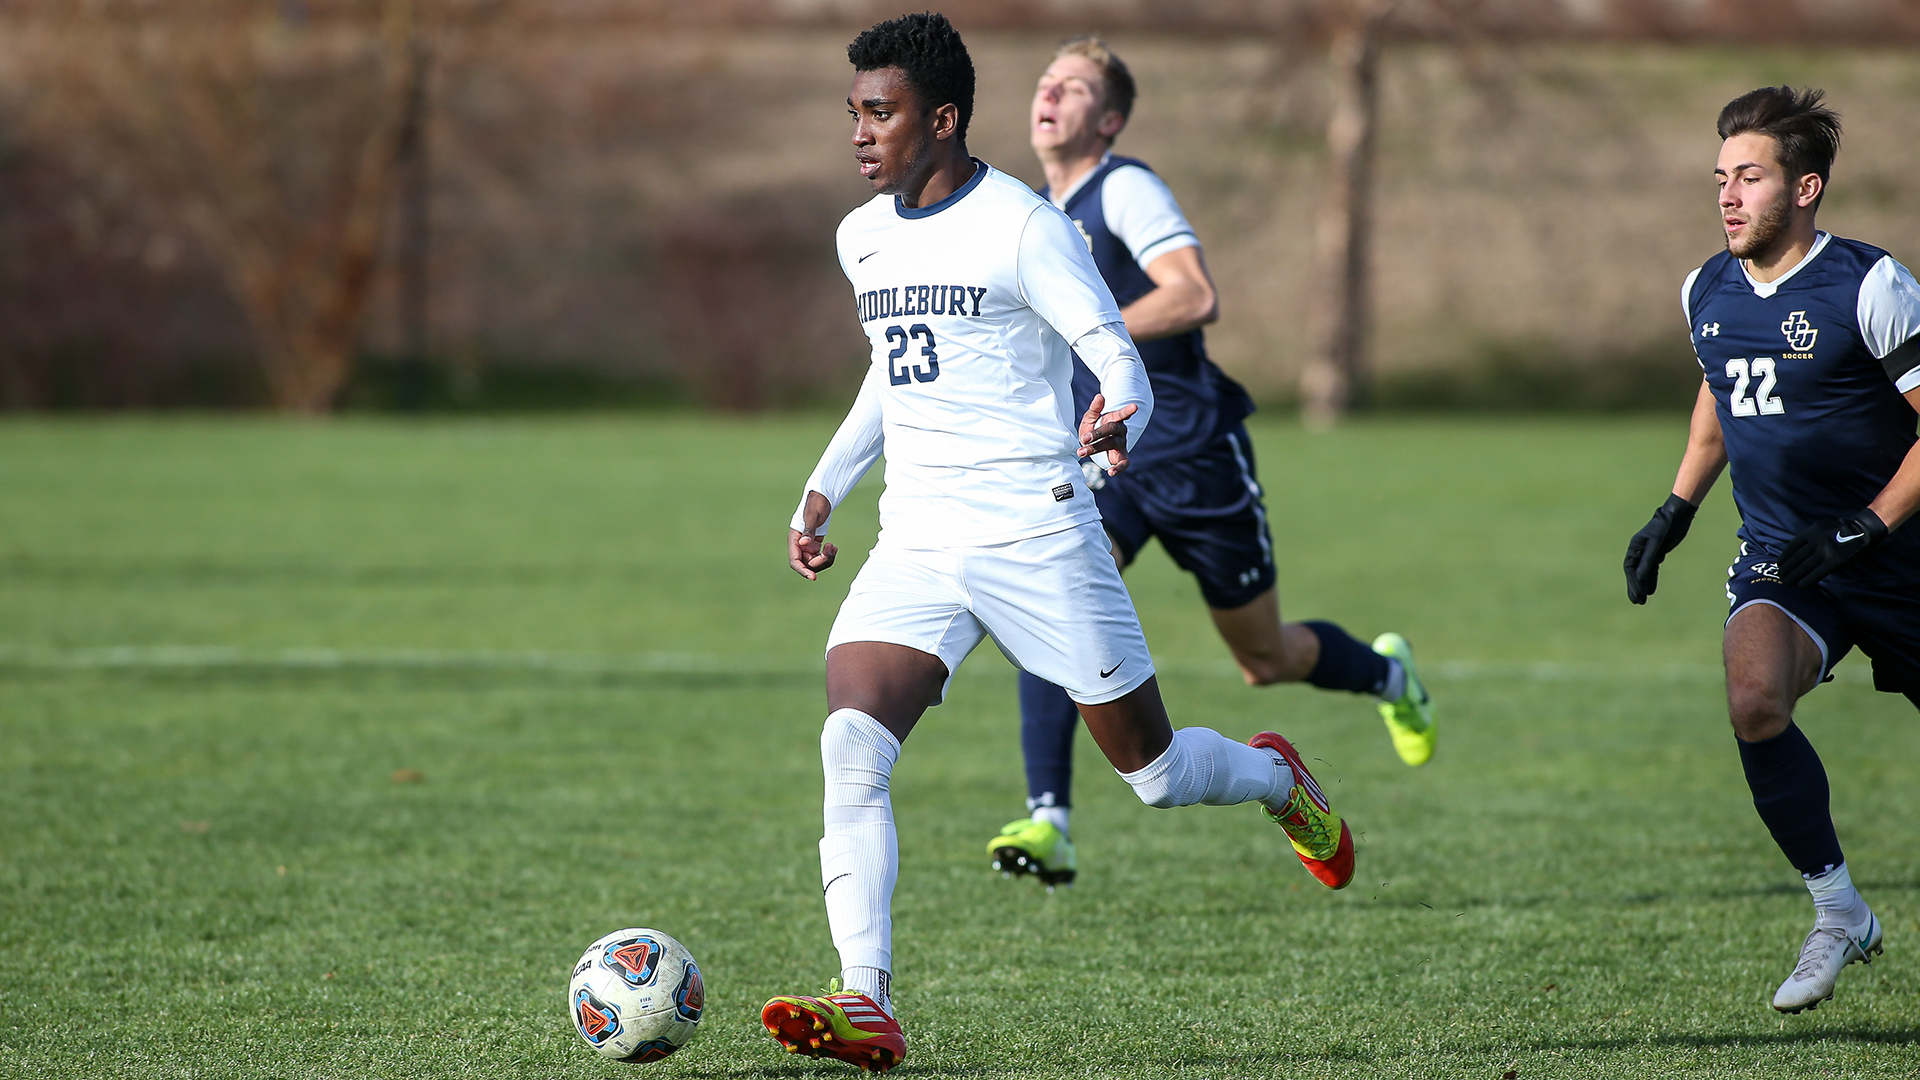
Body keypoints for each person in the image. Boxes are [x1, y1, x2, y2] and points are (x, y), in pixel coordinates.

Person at [758, 14, 1358, 1072]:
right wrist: (822, 487)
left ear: (942, 119)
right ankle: (867, 1000)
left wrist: (1115, 412)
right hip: (921, 541)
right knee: (850, 744)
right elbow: (891, 377)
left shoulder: (1026, 226)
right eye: (852, 111)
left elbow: (1112, 353)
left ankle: (1277, 780)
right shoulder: (864, 236)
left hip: (1037, 529)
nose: (859, 132)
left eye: (881, 112)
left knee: (1158, 775)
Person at [985, 34, 1435, 890]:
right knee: (1051, 604)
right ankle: (1050, 822)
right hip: (1108, 459)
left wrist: (1091, 319)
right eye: (1046, 80)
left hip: (1190, 449)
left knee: (1262, 658)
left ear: (1108, 118)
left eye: (1074, 86)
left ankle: (1387, 675)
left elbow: (1194, 292)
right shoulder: (1031, 211)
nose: (1050, 93)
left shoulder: (1126, 186)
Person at [1624, 85, 1920, 1014]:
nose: (1727, 195)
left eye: (1749, 176)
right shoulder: (1705, 287)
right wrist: (1673, 509)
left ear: (1806, 188)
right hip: (1788, 560)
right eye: (1721, 178)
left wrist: (1869, 524)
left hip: (1902, 556)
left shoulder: (1870, 286)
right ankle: (1838, 910)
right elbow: (1721, 396)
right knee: (1753, 697)